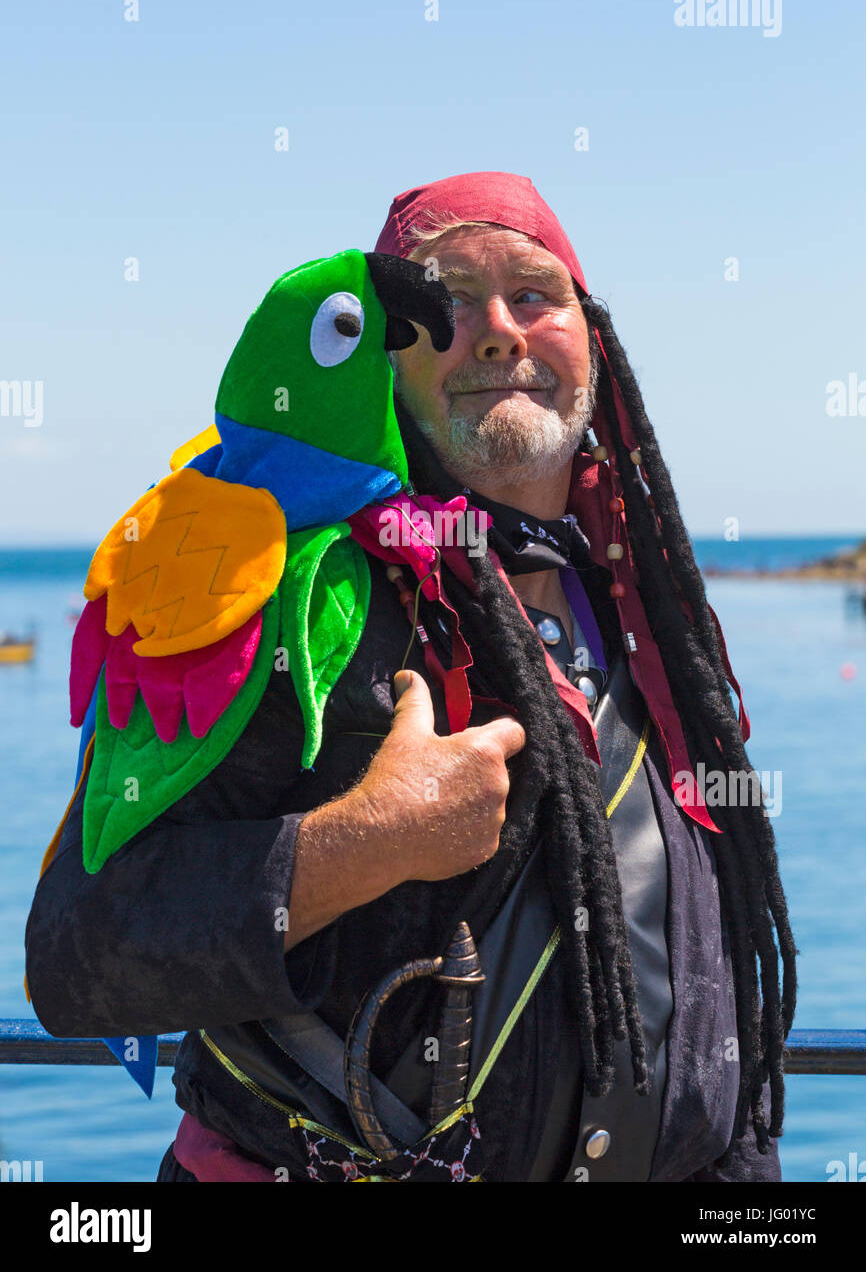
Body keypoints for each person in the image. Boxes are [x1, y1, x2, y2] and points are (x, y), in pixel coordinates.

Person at [24, 171, 796, 1183]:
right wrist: (361, 846)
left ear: (592, 342)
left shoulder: (652, 613)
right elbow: (78, 955)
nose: (494, 330)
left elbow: (707, 988)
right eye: (447, 300)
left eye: (532, 293)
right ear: (386, 364)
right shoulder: (291, 593)